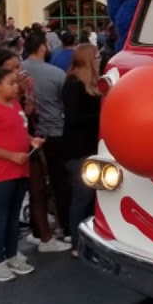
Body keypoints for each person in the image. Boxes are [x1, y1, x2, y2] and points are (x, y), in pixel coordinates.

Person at [0, 66, 43, 281]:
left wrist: (31, 139)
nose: (15, 87)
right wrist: (11, 155)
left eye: (16, 83)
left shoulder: (15, 105)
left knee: (13, 217)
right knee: (1, 217)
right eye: (10, 83)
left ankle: (12, 255)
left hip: (19, 169)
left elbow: (19, 130)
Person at [22, 32, 73, 250]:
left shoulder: (19, 71)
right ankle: (65, 227)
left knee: (36, 186)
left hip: (32, 132)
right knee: (60, 182)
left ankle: (38, 228)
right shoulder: (56, 73)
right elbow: (65, 103)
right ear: (42, 47)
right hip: (54, 131)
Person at [61, 44, 103, 255]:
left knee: (91, 197)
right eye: (96, 56)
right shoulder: (74, 84)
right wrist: (103, 116)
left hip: (90, 148)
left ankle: (88, 241)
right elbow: (74, 118)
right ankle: (77, 242)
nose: (100, 59)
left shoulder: (89, 83)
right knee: (82, 197)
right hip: (78, 150)